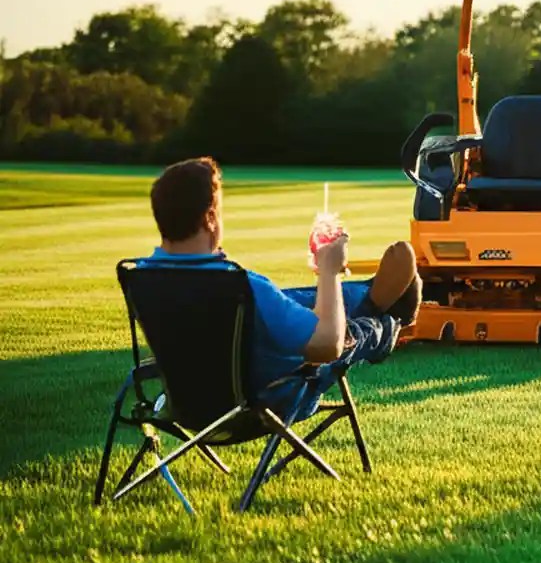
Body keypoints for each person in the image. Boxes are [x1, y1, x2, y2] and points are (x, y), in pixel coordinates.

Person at [143, 157, 421, 418]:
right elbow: (328, 346)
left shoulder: (145, 278)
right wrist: (329, 271)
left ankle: (369, 294)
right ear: (210, 218)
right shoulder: (240, 286)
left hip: (186, 404)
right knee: (355, 331)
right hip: (269, 399)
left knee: (296, 300)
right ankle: (391, 321)